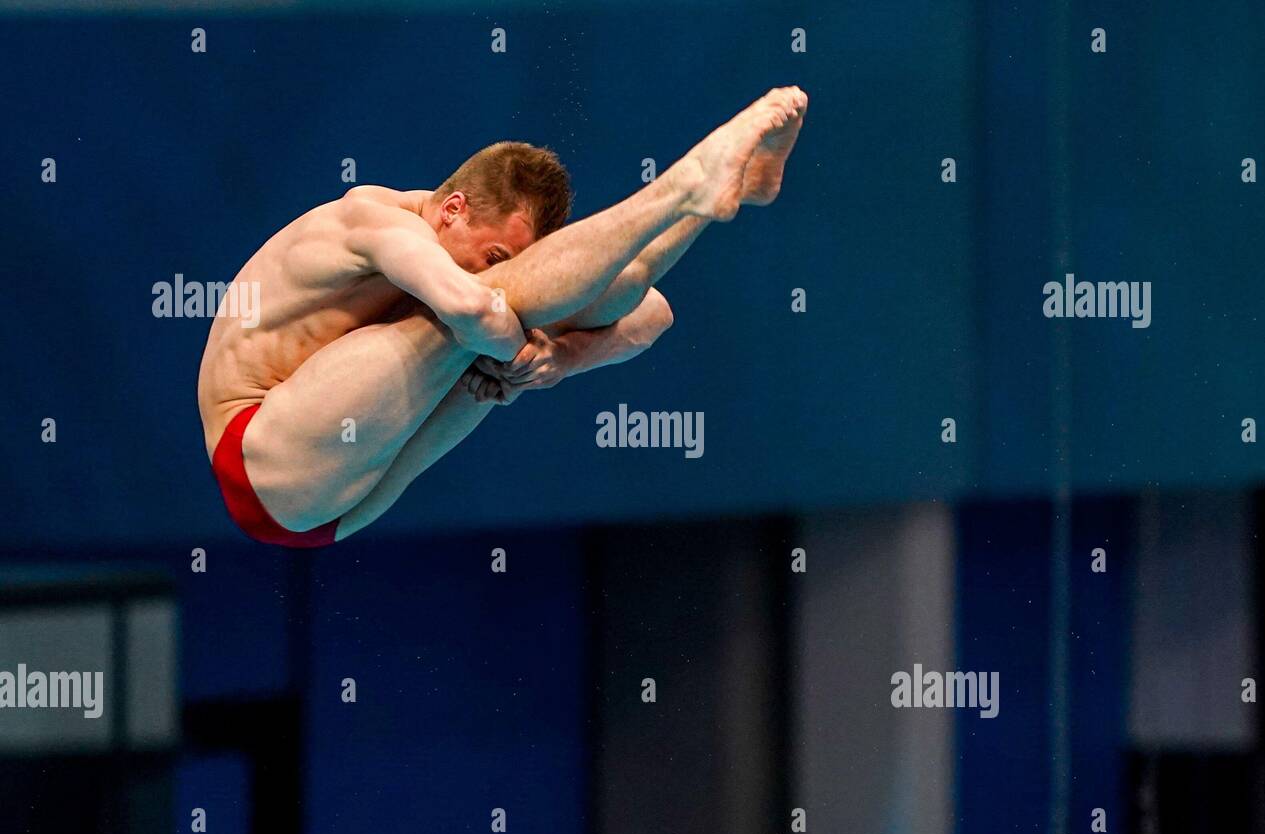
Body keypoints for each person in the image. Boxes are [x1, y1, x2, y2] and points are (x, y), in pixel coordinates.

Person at [197, 87, 808, 546]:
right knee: (484, 312)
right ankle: (683, 192)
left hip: (345, 502)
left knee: (520, 322)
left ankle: (713, 199)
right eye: (494, 254)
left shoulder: (456, 253)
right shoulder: (371, 223)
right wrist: (529, 340)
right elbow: (474, 306)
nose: (497, 269)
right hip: (263, 455)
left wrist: (563, 357)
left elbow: (653, 314)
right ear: (453, 208)